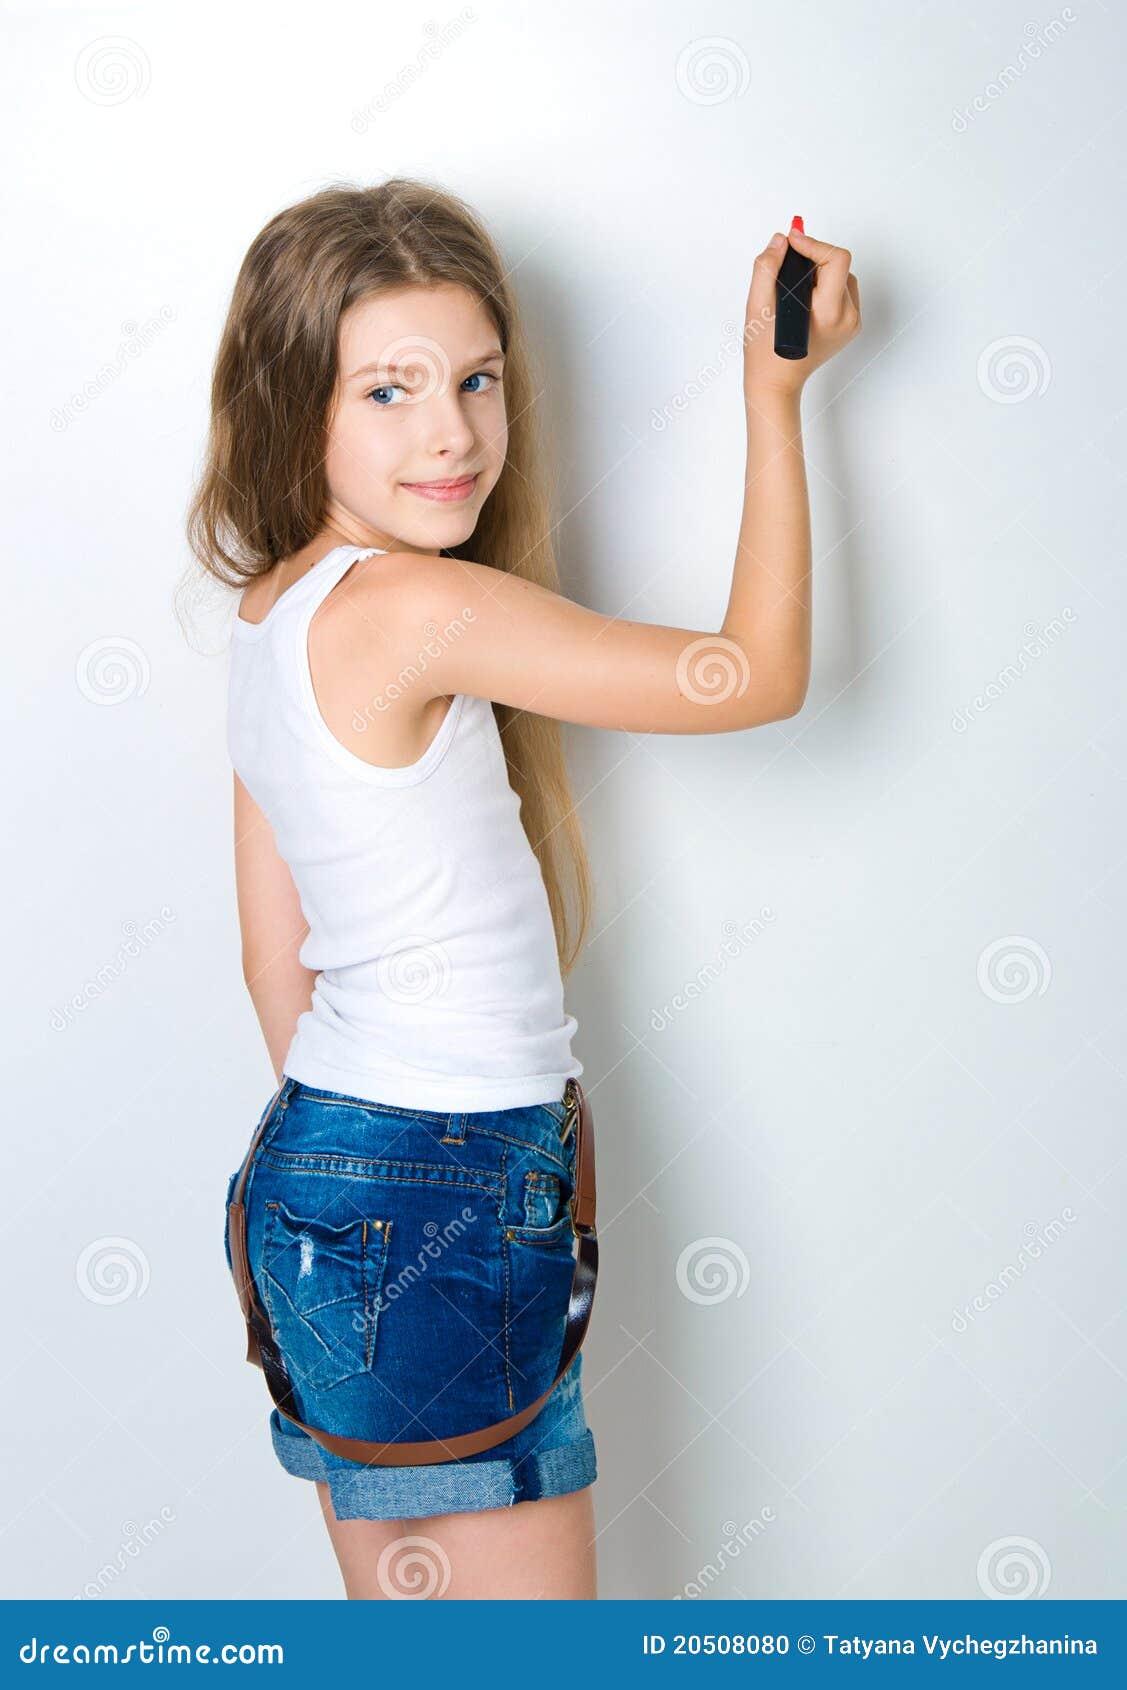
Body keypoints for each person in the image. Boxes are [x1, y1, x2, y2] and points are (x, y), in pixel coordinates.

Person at [188, 176, 861, 1600]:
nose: (452, 431)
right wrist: (776, 390)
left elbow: (271, 959)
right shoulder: (414, 609)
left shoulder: (273, 615)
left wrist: (355, 1193)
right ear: (294, 400)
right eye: (390, 390)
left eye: (478, 378)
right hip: (442, 1173)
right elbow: (754, 674)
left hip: (320, 1164)